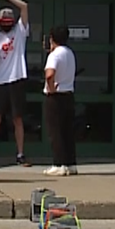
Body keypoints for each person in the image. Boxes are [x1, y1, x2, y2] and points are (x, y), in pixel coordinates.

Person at [0, 0, 31, 168]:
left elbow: (24, 6)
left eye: (9, 20)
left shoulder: (20, 32)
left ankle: (20, 154)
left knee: (17, 119)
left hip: (17, 79)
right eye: (3, 21)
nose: (7, 23)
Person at [43, 25, 78, 177]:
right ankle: (70, 164)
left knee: (55, 131)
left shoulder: (55, 55)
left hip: (56, 96)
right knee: (67, 131)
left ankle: (58, 164)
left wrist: (51, 88)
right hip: (68, 95)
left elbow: (50, 74)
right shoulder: (69, 53)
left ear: (52, 38)